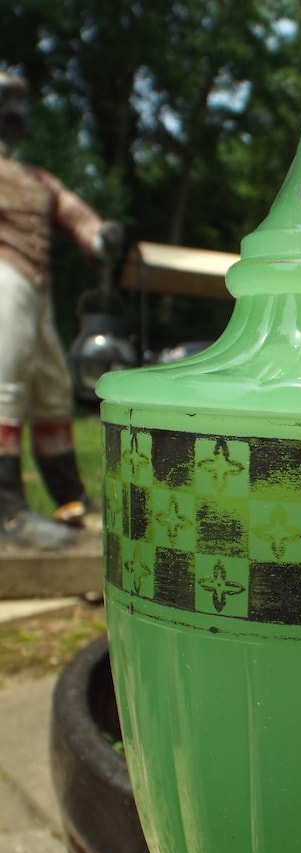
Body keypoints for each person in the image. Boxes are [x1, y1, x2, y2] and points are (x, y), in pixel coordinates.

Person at [0, 70, 123, 549]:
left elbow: (76, 215)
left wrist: (101, 236)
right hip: (3, 278)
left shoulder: (36, 178)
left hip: (35, 288)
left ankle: (70, 500)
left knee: (52, 389)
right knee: (5, 390)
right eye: (7, 100)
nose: (16, 112)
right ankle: (9, 513)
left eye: (19, 101)